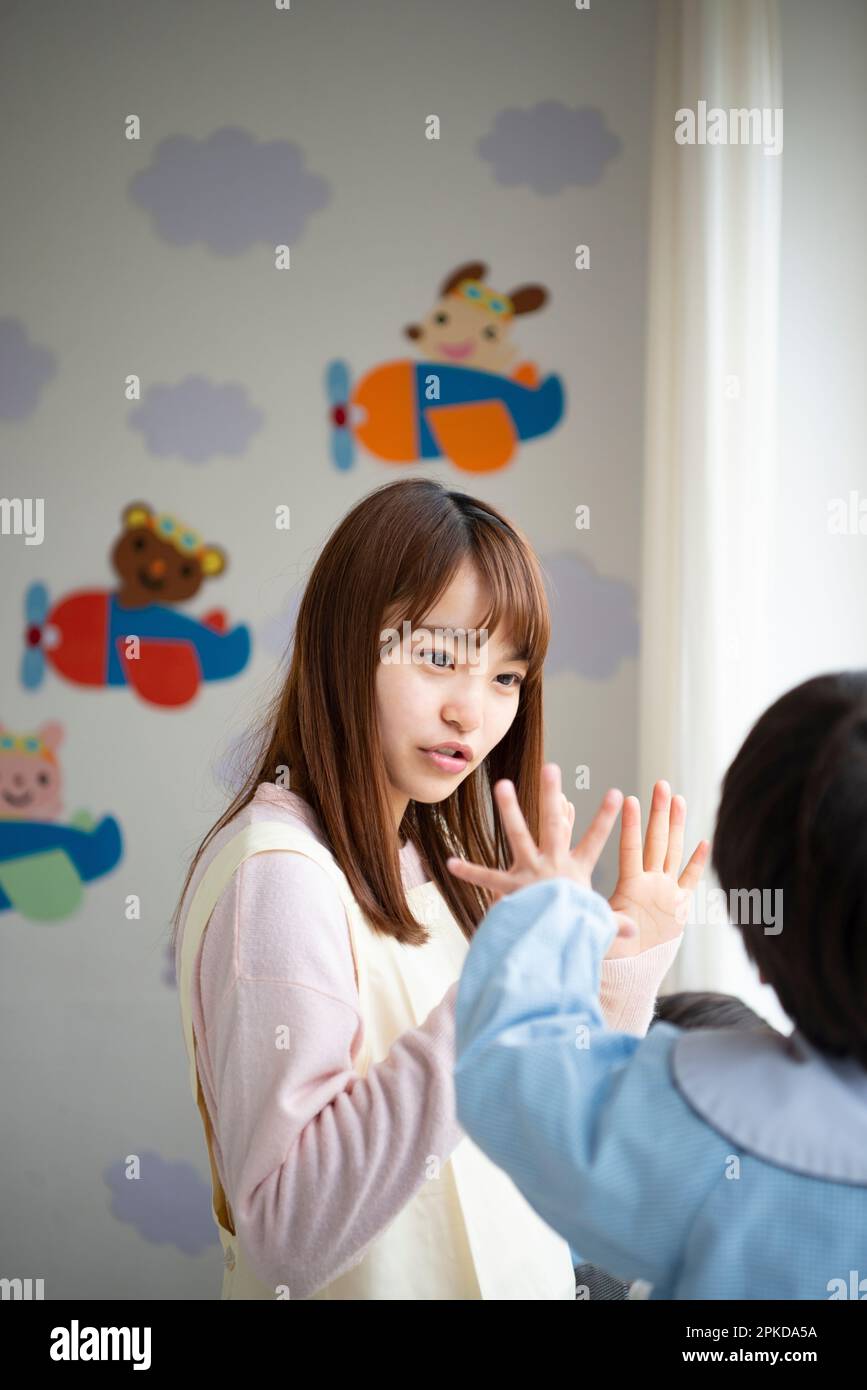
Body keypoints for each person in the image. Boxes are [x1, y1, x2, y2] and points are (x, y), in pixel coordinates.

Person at [170, 478, 706, 1300]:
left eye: (505, 678)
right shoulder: (277, 876)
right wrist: (506, 987)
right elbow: (284, 1230)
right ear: (347, 642)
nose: (472, 712)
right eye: (438, 658)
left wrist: (617, 963)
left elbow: (539, 1128)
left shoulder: (439, 858)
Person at [450, 671, 867, 1299]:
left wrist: (549, 916)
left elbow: (516, 1076)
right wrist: (626, 972)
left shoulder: (711, 1130)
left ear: (762, 948)